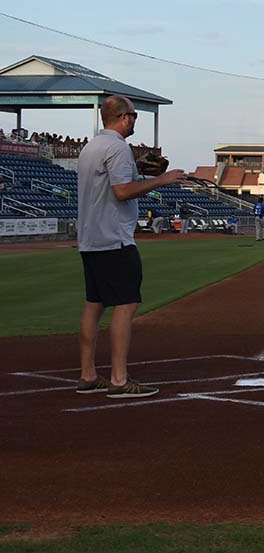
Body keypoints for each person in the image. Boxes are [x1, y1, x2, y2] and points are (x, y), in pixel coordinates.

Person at [76, 95, 186, 399]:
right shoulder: (117, 147)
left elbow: (114, 183)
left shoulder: (91, 147)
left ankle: (87, 374)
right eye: (134, 116)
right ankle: (119, 379)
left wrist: (139, 170)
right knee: (125, 304)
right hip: (114, 238)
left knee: (94, 303)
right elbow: (122, 191)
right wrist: (162, 179)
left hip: (90, 237)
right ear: (124, 117)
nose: (135, 120)